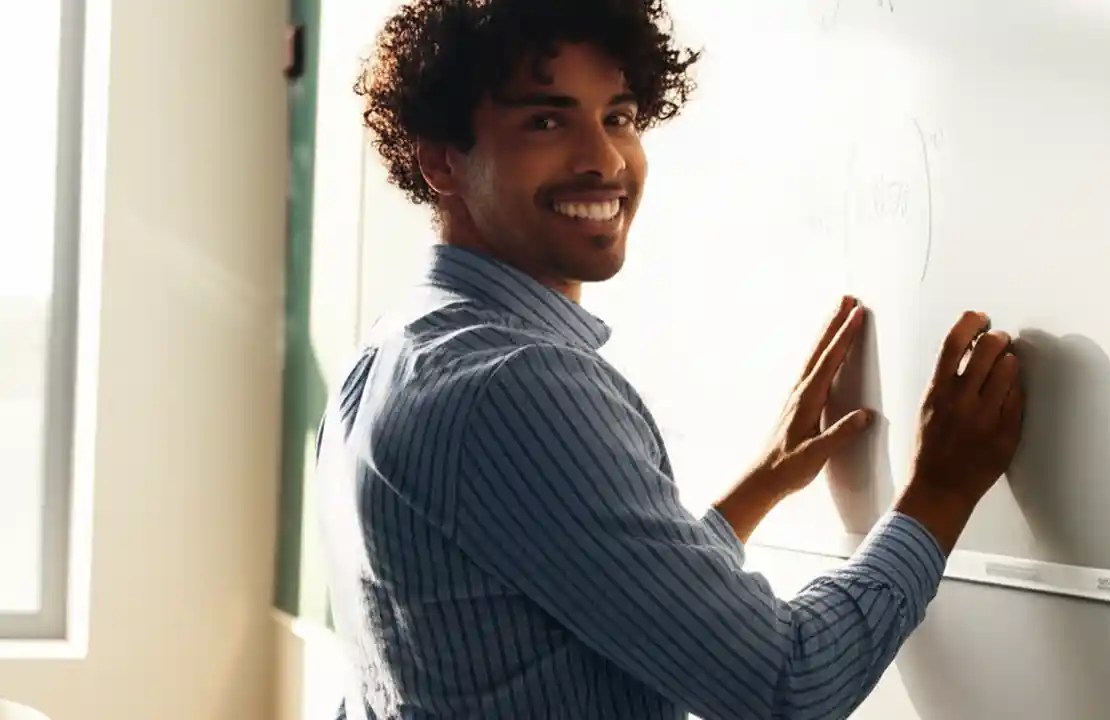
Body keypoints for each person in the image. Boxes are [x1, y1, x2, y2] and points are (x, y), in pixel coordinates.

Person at [316, 1, 1026, 718]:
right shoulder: (514, 383)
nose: (603, 159)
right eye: (546, 120)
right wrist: (938, 493)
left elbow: (572, 607)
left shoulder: (389, 353)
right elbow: (786, 684)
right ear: (442, 159)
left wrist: (759, 487)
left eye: (619, 117)